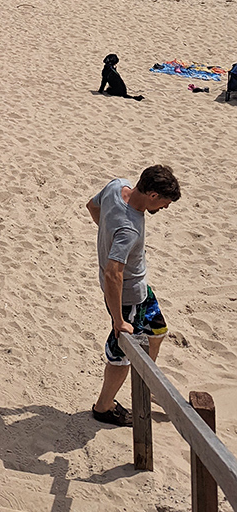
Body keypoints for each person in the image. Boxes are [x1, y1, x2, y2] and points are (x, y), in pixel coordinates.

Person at [86, 165, 181, 427]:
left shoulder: (116, 186)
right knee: (122, 355)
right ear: (152, 195)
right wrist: (119, 320)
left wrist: (109, 236)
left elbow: (91, 207)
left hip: (140, 289)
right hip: (127, 299)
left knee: (158, 331)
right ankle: (104, 407)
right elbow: (113, 274)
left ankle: (146, 385)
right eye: (164, 202)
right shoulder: (129, 229)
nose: (165, 207)